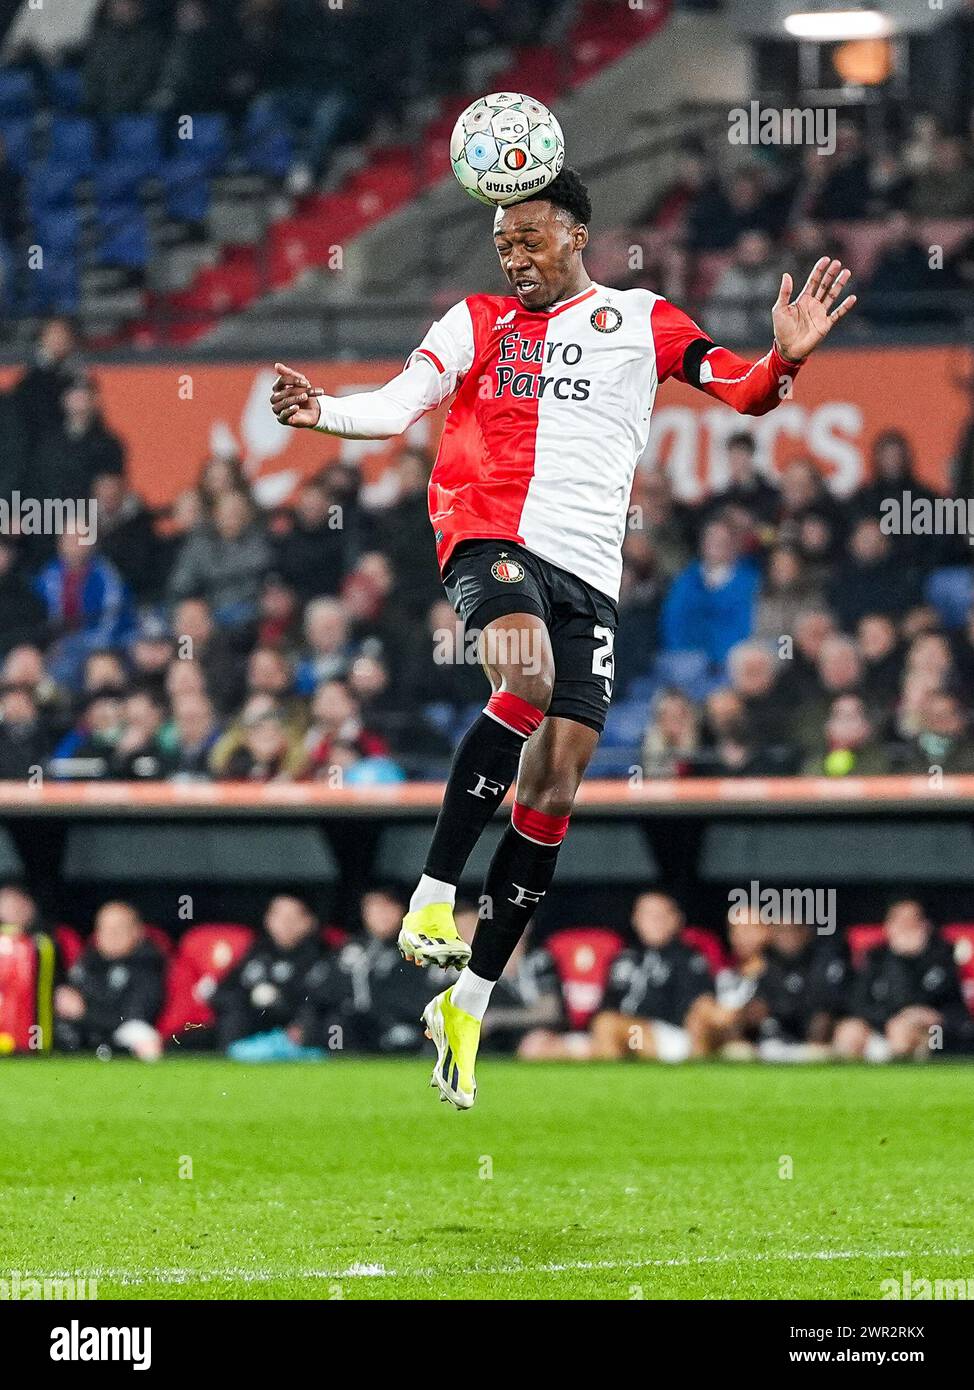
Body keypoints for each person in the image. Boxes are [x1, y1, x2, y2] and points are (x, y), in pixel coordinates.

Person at [270, 166, 857, 1108]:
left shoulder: (642, 319)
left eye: (530, 239)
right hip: (488, 536)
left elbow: (745, 394)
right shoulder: (471, 322)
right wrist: (323, 412)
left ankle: (468, 999)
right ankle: (430, 894)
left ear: (576, 234)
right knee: (526, 676)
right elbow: (393, 406)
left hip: (591, 574)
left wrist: (785, 359)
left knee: (555, 785)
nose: (515, 256)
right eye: (503, 244)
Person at [834, 900, 971, 1060]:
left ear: (926, 925)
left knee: (903, 1032)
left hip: (938, 1035)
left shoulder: (942, 957)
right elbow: (857, 1003)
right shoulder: (876, 957)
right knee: (849, 1032)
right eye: (899, 921)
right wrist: (898, 959)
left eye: (912, 922)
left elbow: (949, 1009)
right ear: (888, 926)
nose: (905, 928)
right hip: (883, 1025)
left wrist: (907, 961)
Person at [589, 893, 712, 1062]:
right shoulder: (625, 957)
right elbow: (607, 1004)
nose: (655, 921)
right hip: (628, 1035)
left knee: (607, 1025)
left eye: (661, 915)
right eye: (648, 914)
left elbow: (699, 1008)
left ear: (676, 919)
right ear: (635, 919)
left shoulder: (688, 958)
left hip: (669, 1038)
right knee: (562, 1045)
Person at [210, 895, 325, 1050]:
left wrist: (282, 1003)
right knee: (230, 1019)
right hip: (253, 1028)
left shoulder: (320, 956)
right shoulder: (256, 952)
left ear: (309, 922)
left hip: (294, 1033)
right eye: (278, 915)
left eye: (292, 917)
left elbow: (320, 1003)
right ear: (267, 919)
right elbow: (222, 993)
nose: (285, 924)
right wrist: (249, 999)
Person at [54, 901, 166, 1059]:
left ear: (137, 932)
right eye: (104, 928)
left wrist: (85, 1012)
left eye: (119, 928)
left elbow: (134, 1017)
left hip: (119, 1041)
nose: (111, 935)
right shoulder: (88, 962)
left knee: (140, 1033)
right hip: (81, 1039)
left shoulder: (147, 964)